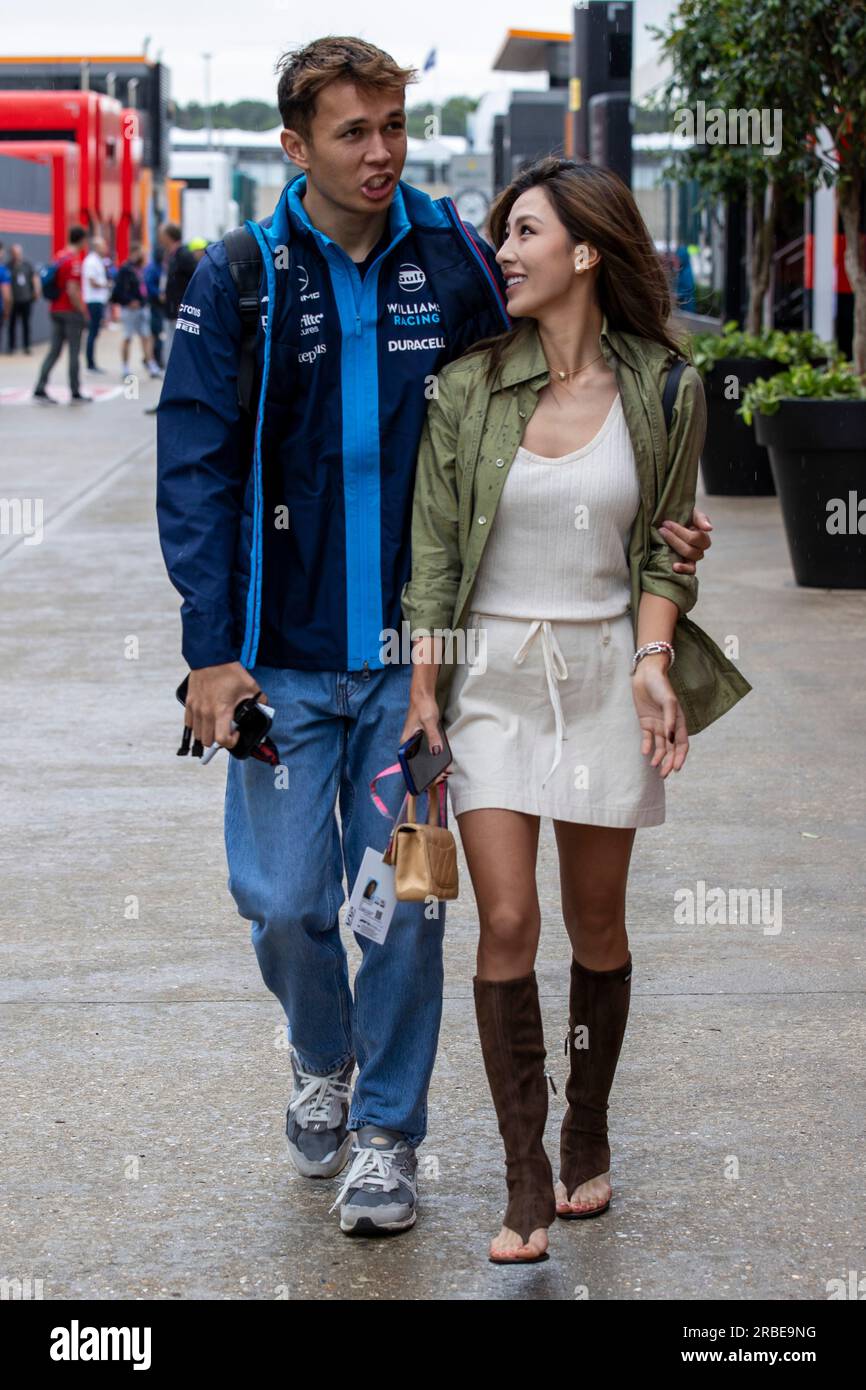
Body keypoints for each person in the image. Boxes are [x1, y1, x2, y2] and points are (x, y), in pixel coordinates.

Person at [156, 39, 713, 1240]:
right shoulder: (240, 275)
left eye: (394, 126)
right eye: (352, 132)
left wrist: (646, 515)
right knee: (286, 900)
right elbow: (193, 467)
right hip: (281, 656)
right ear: (294, 146)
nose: (380, 153)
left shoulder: (452, 256)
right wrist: (211, 652)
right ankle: (320, 1053)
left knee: (405, 903)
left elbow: (552, 378)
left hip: (424, 666)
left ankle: (385, 1138)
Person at [400, 155, 751, 1264]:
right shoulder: (465, 387)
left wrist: (654, 661)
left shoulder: (663, 387)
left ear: (585, 252)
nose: (501, 252)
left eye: (524, 234)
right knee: (506, 919)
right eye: (502, 234)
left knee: (596, 924)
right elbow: (433, 554)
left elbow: (665, 546)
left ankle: (584, 1121)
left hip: (606, 668)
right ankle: (523, 1181)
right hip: (493, 673)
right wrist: (424, 690)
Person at [33, 224, 92, 403]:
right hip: (70, 312)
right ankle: (75, 391)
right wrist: (83, 312)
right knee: (74, 352)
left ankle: (40, 388)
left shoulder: (59, 256)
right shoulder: (73, 261)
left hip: (55, 309)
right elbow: (72, 290)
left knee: (54, 351)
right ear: (82, 240)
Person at [113, 243, 161, 381]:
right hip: (130, 309)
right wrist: (128, 301)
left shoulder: (141, 269)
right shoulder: (125, 270)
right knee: (127, 337)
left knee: (146, 336)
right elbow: (118, 291)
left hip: (142, 307)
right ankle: (125, 367)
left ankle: (151, 364)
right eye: (141, 253)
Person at [157, 222, 197, 363]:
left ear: (169, 236)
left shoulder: (183, 255)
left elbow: (194, 278)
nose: (159, 239)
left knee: (177, 339)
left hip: (179, 307)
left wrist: (186, 301)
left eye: (162, 235)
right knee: (169, 337)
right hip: (171, 306)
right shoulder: (169, 255)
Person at [81, 235, 112, 371]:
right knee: (92, 332)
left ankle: (92, 362)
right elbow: (92, 282)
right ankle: (90, 363)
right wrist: (106, 284)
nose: (105, 248)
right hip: (93, 301)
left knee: (95, 332)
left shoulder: (99, 261)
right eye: (102, 245)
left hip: (99, 300)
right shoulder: (91, 262)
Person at [6, 244, 40, 354]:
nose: (17, 255)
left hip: (26, 299)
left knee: (26, 324)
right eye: (15, 253)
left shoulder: (27, 265)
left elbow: (34, 277)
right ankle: (11, 347)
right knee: (12, 324)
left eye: (18, 253)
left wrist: (36, 290)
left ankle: (27, 346)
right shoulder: (8, 266)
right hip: (13, 300)